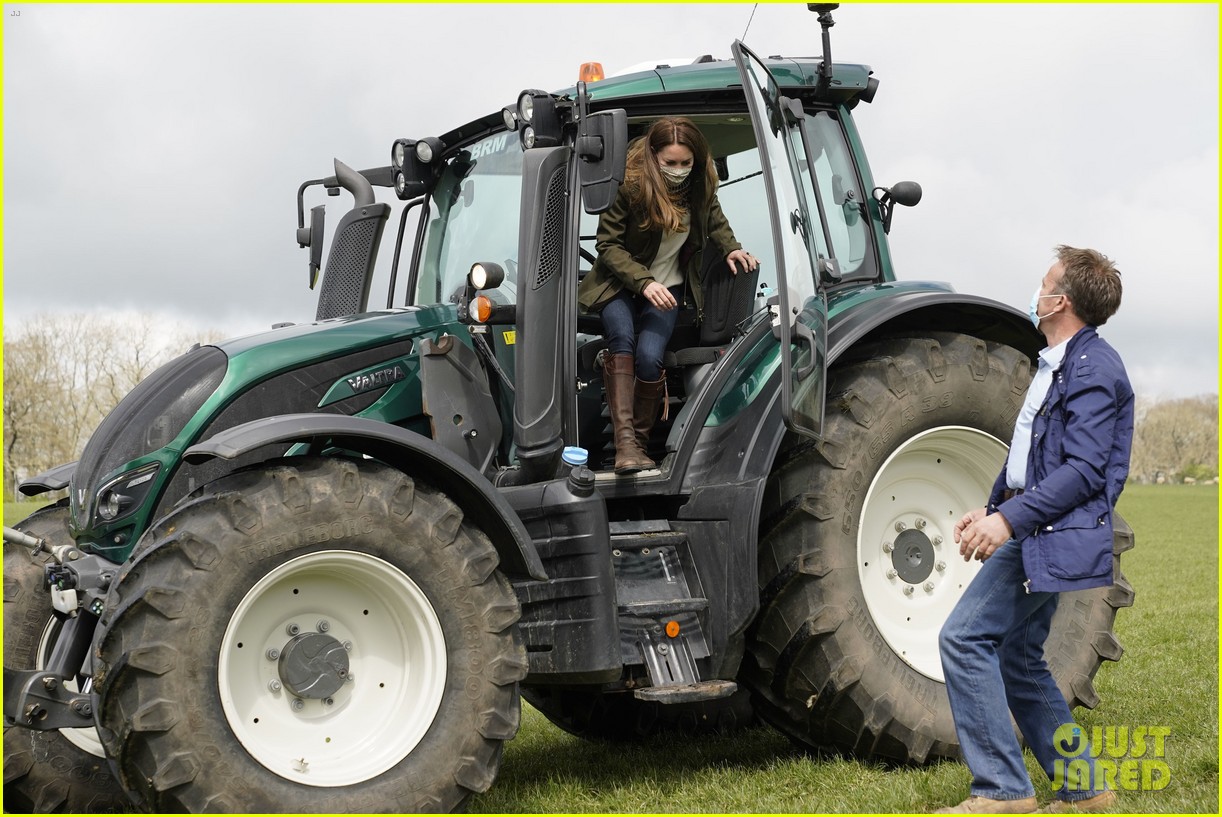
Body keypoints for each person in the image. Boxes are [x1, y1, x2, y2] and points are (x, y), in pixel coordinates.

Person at [934, 246, 1134, 814]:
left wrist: (1010, 519)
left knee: (964, 639)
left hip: (1048, 532)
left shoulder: (1094, 368)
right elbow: (1033, 457)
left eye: (1043, 284)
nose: (1036, 291)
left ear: (1060, 301)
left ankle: (1002, 789)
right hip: (1034, 524)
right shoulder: (1058, 365)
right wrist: (992, 507)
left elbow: (1085, 470)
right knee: (1018, 658)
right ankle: (1086, 787)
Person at [577, 116, 758, 473]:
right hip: (622, 284)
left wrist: (731, 249)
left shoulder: (700, 185)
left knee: (649, 356)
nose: (678, 170)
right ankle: (625, 446)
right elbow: (607, 246)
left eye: (685, 163)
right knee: (623, 339)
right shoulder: (629, 186)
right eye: (670, 163)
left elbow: (715, 218)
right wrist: (644, 282)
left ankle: (638, 446)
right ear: (653, 155)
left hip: (670, 286)